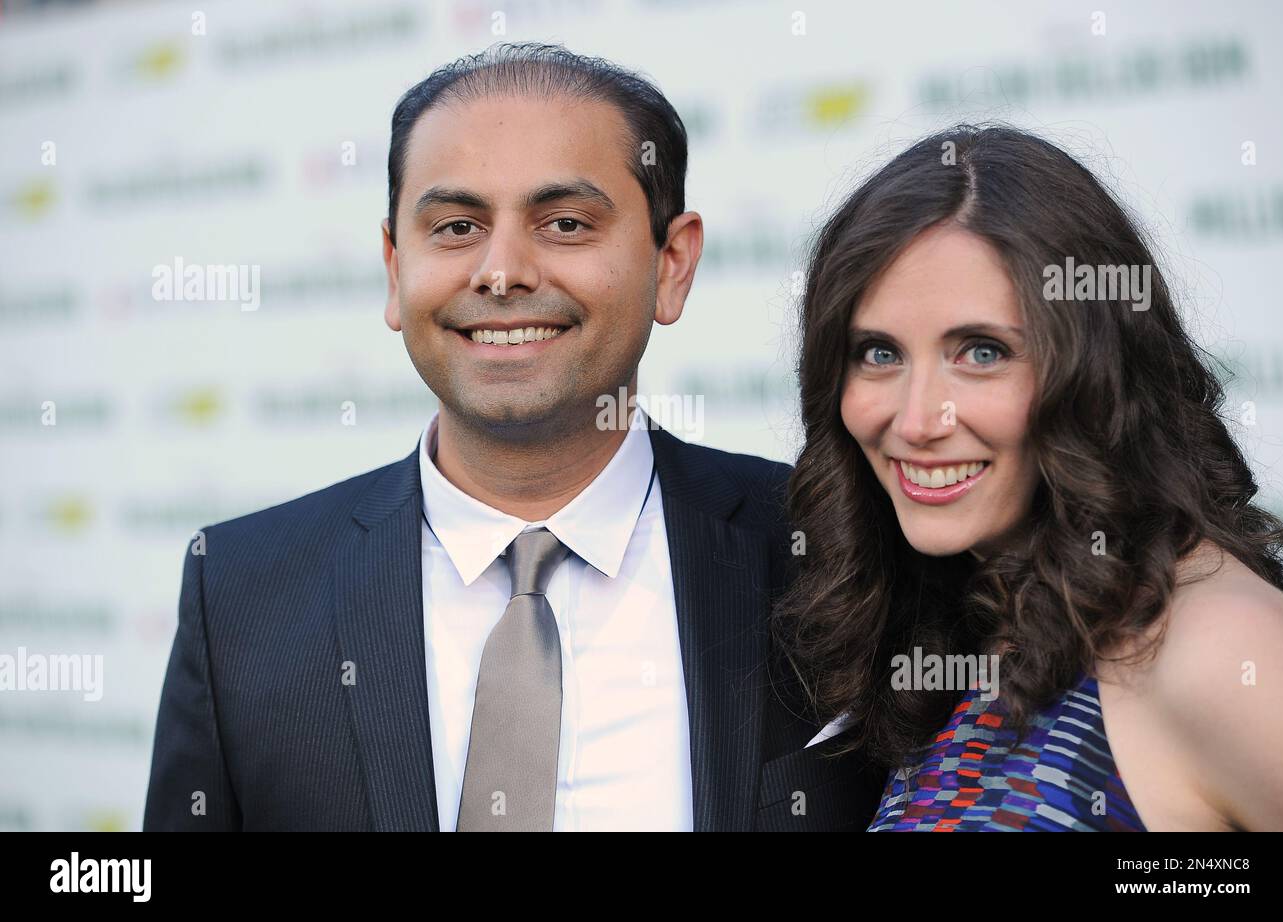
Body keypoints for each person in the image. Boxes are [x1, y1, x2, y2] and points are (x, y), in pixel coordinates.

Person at [143, 42, 877, 832]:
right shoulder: (242, 595)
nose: (501, 272)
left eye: (564, 223)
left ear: (671, 263)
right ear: (395, 269)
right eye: (457, 226)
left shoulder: (833, 554)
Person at [775, 124, 1283, 831]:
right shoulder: (978, 624)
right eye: (878, 353)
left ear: (1097, 371)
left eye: (983, 352)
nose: (919, 418)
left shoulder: (1217, 644)